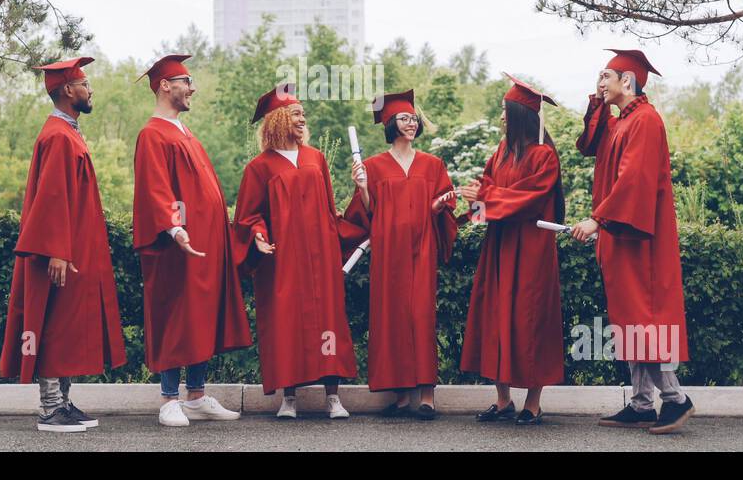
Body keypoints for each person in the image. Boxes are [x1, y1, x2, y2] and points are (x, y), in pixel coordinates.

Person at [0, 56, 126, 433]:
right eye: (86, 85)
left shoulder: (68, 132)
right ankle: (50, 409)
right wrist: (56, 249)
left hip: (74, 250)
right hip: (61, 253)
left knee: (67, 326)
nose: (91, 91)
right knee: (53, 325)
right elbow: (52, 197)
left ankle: (64, 403)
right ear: (68, 91)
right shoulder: (57, 136)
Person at [572, 49, 694, 435]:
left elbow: (634, 181)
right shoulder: (620, 122)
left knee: (647, 319)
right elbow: (588, 143)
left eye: (606, 76)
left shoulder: (646, 121)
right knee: (629, 318)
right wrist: (597, 102)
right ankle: (642, 403)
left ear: (628, 81)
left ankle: (675, 400)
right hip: (620, 237)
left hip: (640, 238)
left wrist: (597, 218)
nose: (600, 82)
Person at [132, 54, 252, 428]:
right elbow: (156, 187)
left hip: (203, 245)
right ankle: (169, 399)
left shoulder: (184, 133)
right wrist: (174, 226)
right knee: (173, 314)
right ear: (165, 85)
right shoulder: (153, 133)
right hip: (175, 247)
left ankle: (196, 396)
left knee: (200, 315)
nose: (192, 88)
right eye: (186, 81)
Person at [231, 84, 364, 419]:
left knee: (328, 322)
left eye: (303, 114)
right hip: (284, 259)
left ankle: (332, 396)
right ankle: (288, 397)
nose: (303, 119)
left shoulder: (315, 158)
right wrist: (258, 236)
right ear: (278, 120)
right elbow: (248, 216)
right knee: (286, 322)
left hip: (321, 255)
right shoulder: (260, 167)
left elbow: (330, 210)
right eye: (296, 114)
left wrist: (360, 199)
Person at [456, 74, 566, 426]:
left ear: (520, 114)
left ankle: (533, 403)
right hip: (501, 246)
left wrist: (485, 196)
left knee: (529, 320)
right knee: (496, 318)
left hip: (531, 250)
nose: (501, 117)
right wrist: (467, 203)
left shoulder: (544, 156)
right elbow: (487, 190)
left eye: (505, 111)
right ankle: (503, 400)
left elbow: (529, 200)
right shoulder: (502, 151)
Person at [343, 89, 457, 419]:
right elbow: (367, 213)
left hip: (422, 248)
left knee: (421, 316)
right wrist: (362, 187)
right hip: (388, 250)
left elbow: (447, 201)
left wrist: (438, 204)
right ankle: (401, 395)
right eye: (403, 118)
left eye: (413, 118)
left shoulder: (433, 164)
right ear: (391, 123)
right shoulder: (373, 165)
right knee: (391, 317)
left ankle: (426, 395)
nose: (410, 123)